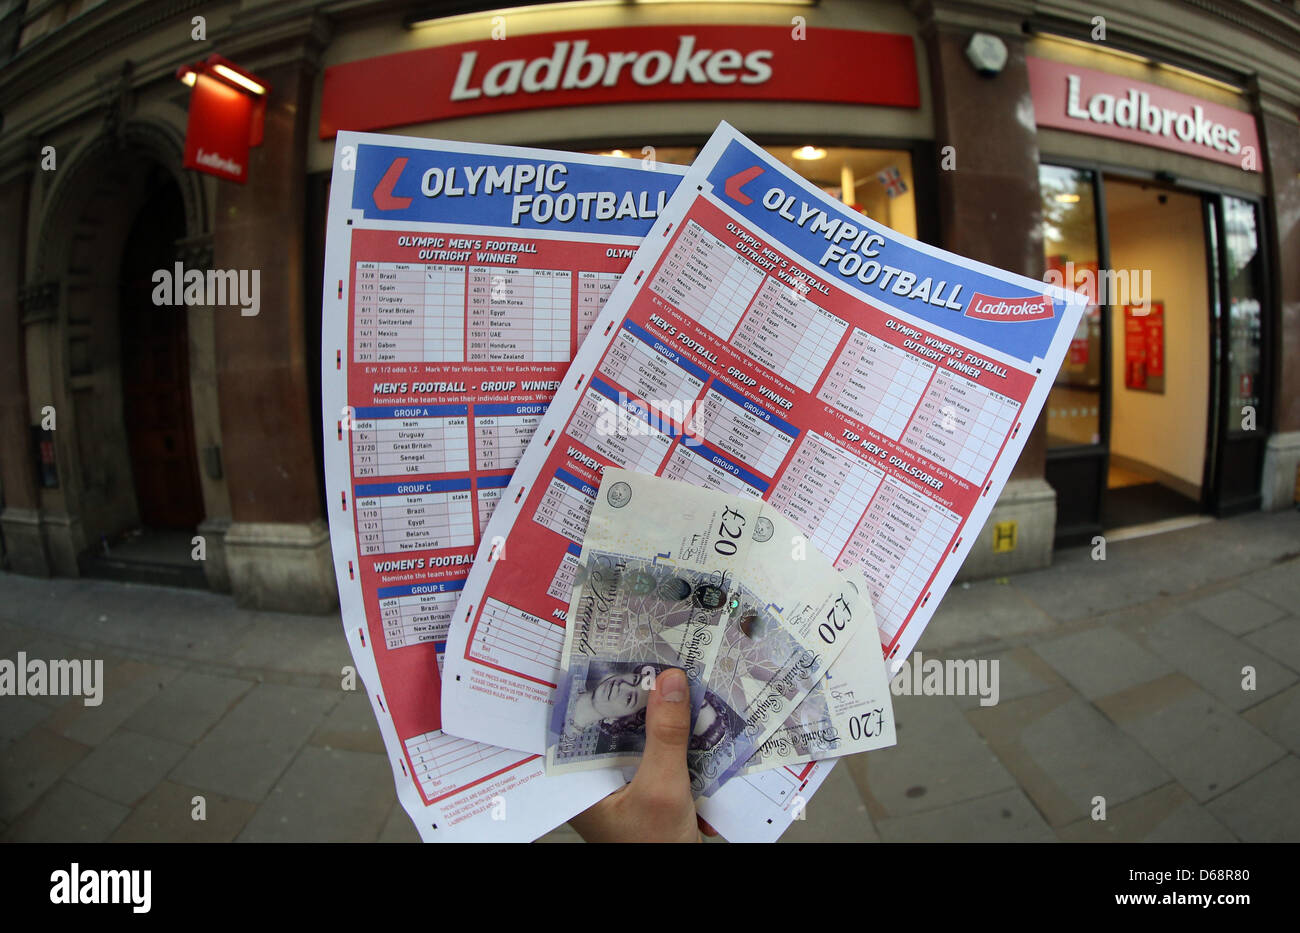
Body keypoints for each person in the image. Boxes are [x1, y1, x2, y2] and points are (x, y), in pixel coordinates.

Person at [567, 667, 719, 843]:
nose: (622, 686)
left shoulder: (577, 743)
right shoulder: (577, 674)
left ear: (615, 721)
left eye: (629, 698)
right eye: (634, 681)